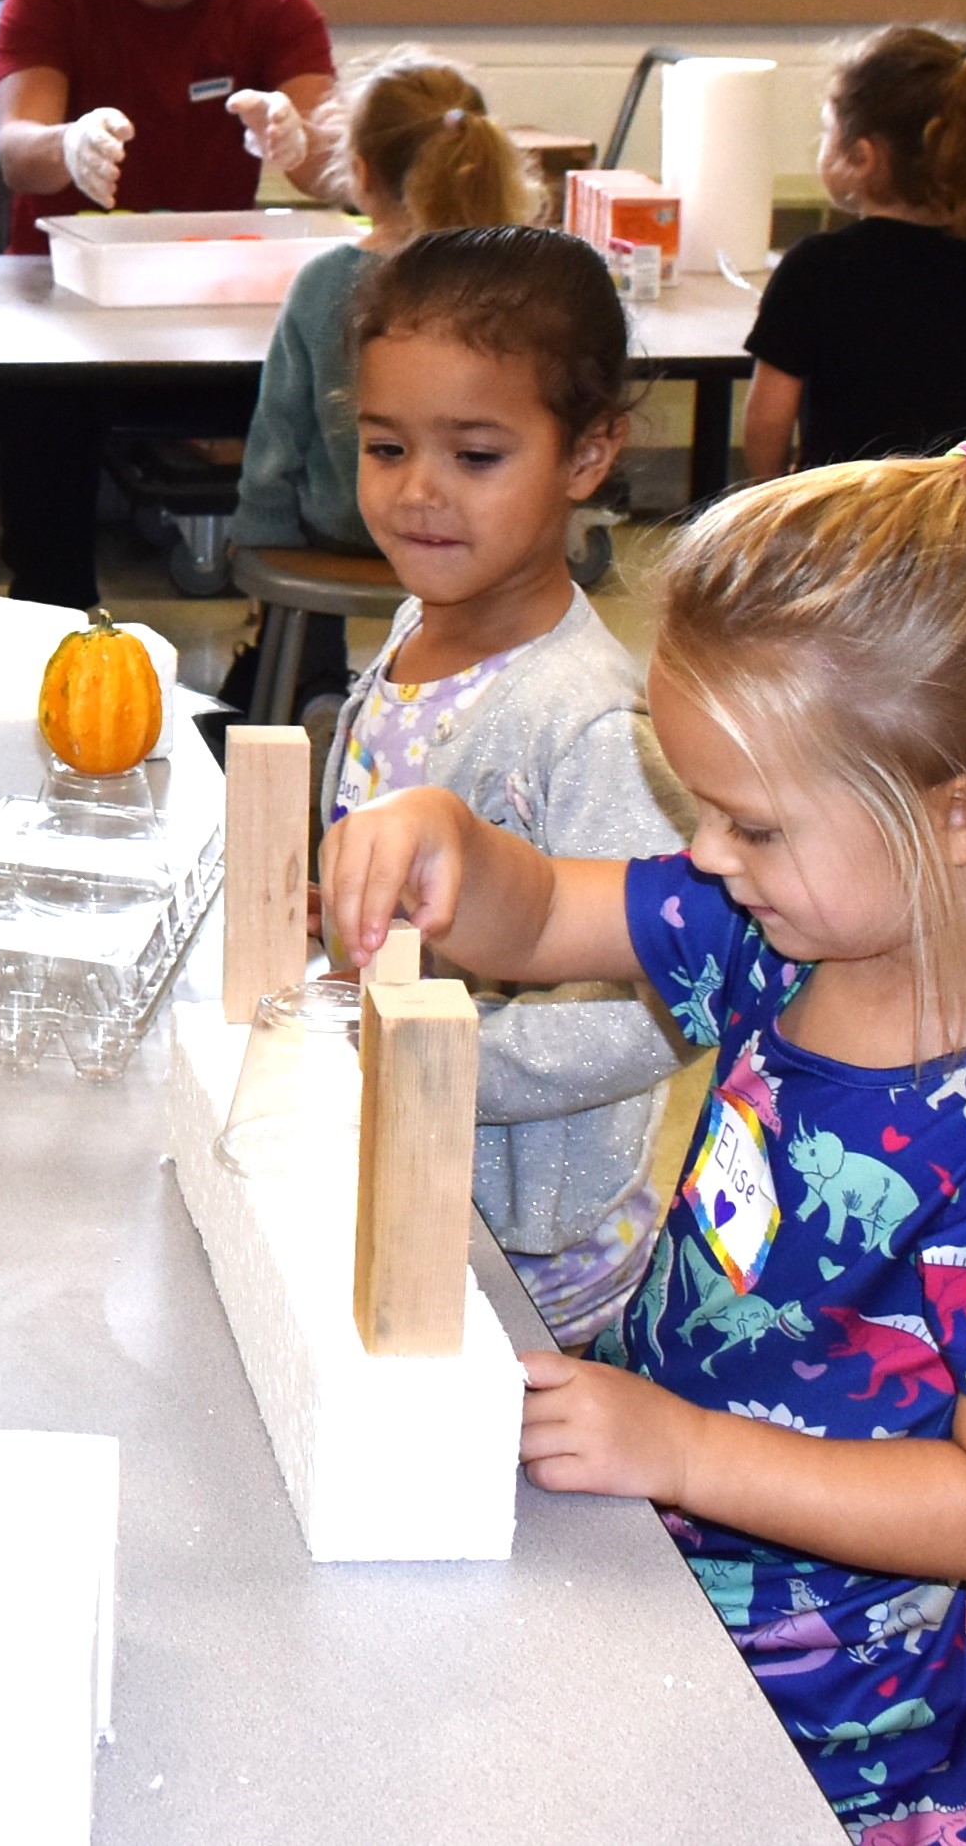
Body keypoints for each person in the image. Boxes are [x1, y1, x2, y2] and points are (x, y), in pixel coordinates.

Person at [321, 441, 966, 1842]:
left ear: (963, 816)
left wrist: (685, 1450)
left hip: (830, 1706)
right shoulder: (789, 931)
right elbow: (538, 916)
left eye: (753, 824)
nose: (709, 854)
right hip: (645, 1544)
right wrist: (445, 847)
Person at [323, 226, 690, 1343]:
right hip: (404, 1179)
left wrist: (423, 1057)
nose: (419, 493)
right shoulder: (410, 632)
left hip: (531, 1261)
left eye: (475, 457)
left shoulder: (588, 724)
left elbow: (653, 1009)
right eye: (387, 449)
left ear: (586, 456)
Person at [0, 0, 339, 611]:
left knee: (321, 387)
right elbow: (18, 153)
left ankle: (296, 661)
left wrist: (295, 138)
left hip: (217, 320)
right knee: (38, 420)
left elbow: (333, 163)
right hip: (71, 320)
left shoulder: (270, 7)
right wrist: (68, 143)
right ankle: (55, 629)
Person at [228, 49, 529, 716]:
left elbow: (279, 432)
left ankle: (312, 683)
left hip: (346, 525)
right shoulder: (523, 283)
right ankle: (454, 697)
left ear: (360, 170)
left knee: (325, 501)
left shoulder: (322, 284)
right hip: (486, 536)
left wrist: (257, 533)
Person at [744, 26, 966, 479]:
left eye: (828, 131)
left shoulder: (817, 265)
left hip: (841, 506)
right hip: (939, 504)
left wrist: (765, 498)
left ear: (863, 157)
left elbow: (768, 415)